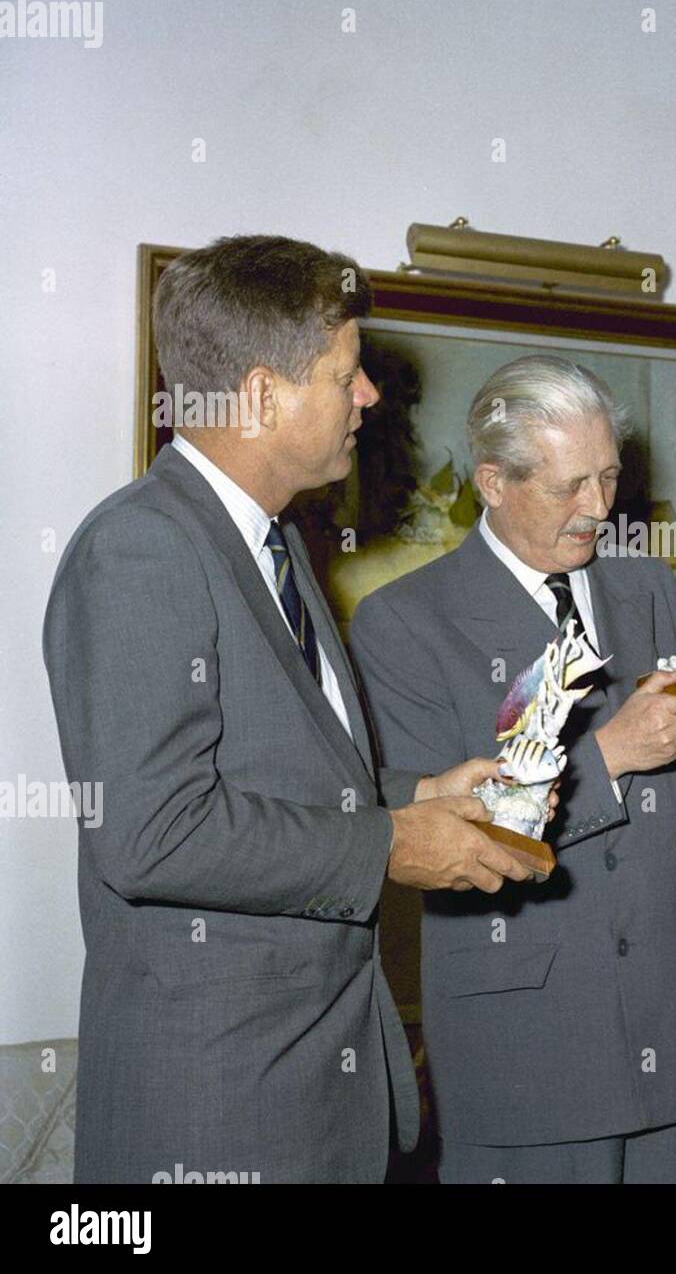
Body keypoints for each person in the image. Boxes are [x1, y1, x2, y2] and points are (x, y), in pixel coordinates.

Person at [43, 234, 532, 1183]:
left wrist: (423, 789)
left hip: (309, 1100)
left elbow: (274, 774)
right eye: (346, 373)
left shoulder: (274, 546)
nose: (369, 397)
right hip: (216, 1114)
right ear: (263, 396)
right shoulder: (141, 549)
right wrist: (392, 841)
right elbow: (151, 833)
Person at [350, 354, 676, 1183]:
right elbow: (440, 845)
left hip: (667, 1031)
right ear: (493, 482)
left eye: (609, 477)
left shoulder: (645, 586)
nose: (599, 509)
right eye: (570, 485)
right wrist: (612, 753)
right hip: (527, 1048)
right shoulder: (403, 622)